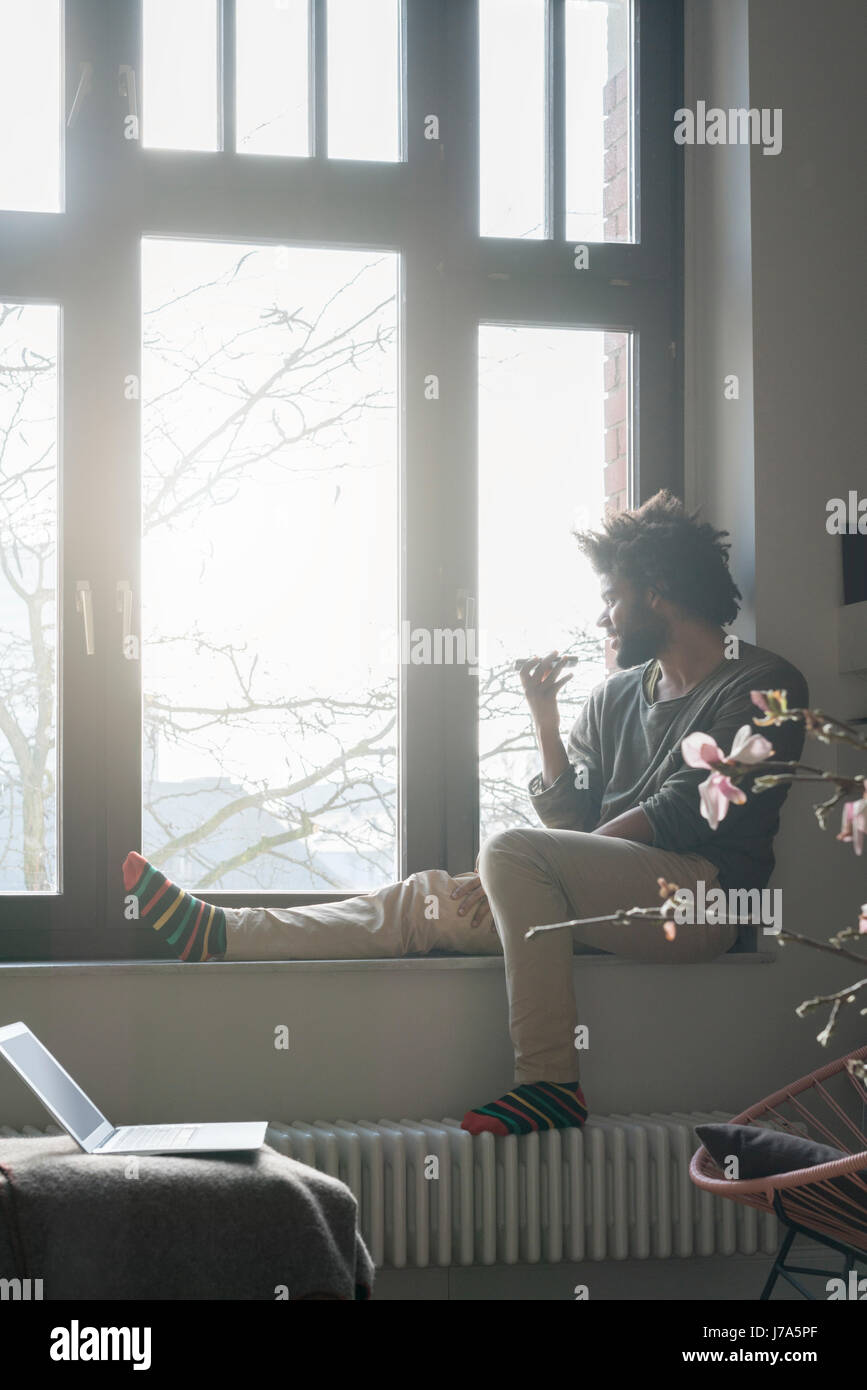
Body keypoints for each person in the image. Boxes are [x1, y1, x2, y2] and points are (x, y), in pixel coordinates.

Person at [123, 491, 808, 1137]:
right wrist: (544, 724)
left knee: (510, 853)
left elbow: (686, 810)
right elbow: (572, 829)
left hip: (703, 899)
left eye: (611, 600)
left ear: (656, 592)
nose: (604, 618)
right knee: (423, 904)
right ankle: (219, 931)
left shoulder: (762, 683)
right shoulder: (615, 697)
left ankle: (550, 1083)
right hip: (616, 896)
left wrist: (521, 865)